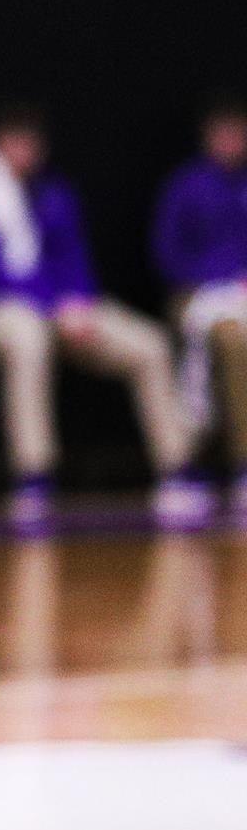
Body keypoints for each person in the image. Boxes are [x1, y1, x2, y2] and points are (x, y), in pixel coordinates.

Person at [0, 102, 204, 533]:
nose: (23, 150)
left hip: (67, 308)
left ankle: (177, 468)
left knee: (150, 345)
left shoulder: (55, 192)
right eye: (13, 140)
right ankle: (35, 476)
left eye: (30, 141)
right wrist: (53, 305)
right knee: (30, 342)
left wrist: (79, 303)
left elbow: (76, 259)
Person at [154, 95, 247, 518]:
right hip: (198, 294)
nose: (231, 140)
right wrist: (221, 279)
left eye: (237, 131)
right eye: (222, 132)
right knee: (231, 340)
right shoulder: (185, 185)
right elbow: (168, 255)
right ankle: (232, 464)